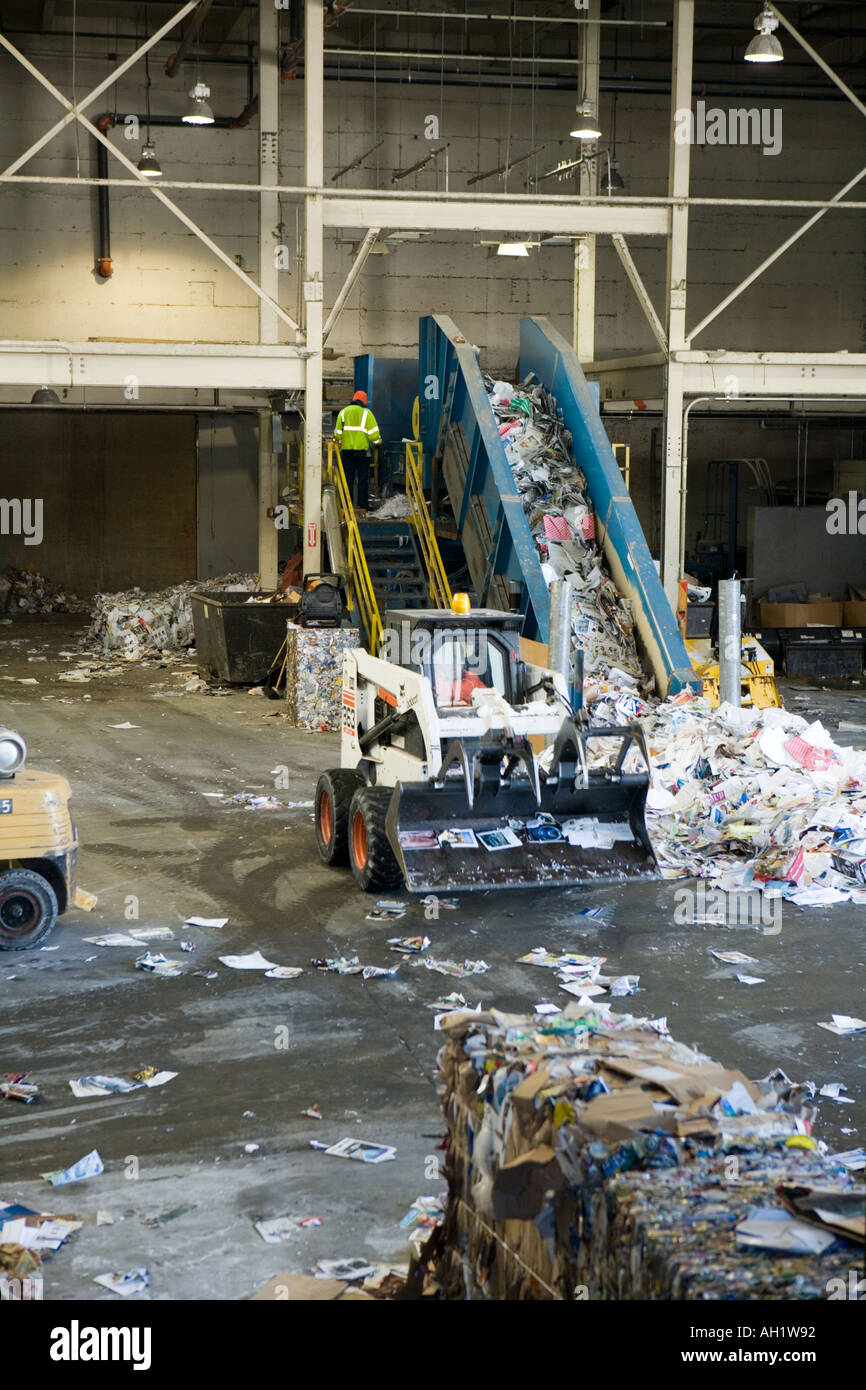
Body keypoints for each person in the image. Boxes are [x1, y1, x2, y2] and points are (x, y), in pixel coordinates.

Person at [333, 389, 382, 513]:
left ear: (354, 399)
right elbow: (374, 435)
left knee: (347, 479)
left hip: (347, 452)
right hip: (363, 453)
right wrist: (378, 443)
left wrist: (340, 441)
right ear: (364, 401)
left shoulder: (343, 412)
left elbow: (337, 434)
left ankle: (346, 505)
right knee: (363, 480)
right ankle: (363, 505)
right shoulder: (367, 414)